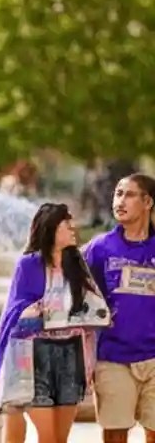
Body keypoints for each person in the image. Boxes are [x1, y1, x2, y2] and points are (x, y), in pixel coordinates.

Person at [0, 202, 107, 443]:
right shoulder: (28, 265)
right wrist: (29, 311)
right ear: (52, 229)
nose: (73, 227)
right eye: (67, 224)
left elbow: (91, 305)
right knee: (48, 437)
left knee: (59, 439)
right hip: (36, 355)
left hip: (71, 355)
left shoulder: (76, 265)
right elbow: (15, 309)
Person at [84, 173, 155, 443]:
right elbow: (76, 291)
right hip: (112, 358)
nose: (120, 200)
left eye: (129, 194)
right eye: (117, 193)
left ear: (147, 201)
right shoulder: (100, 248)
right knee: (114, 435)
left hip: (154, 357)